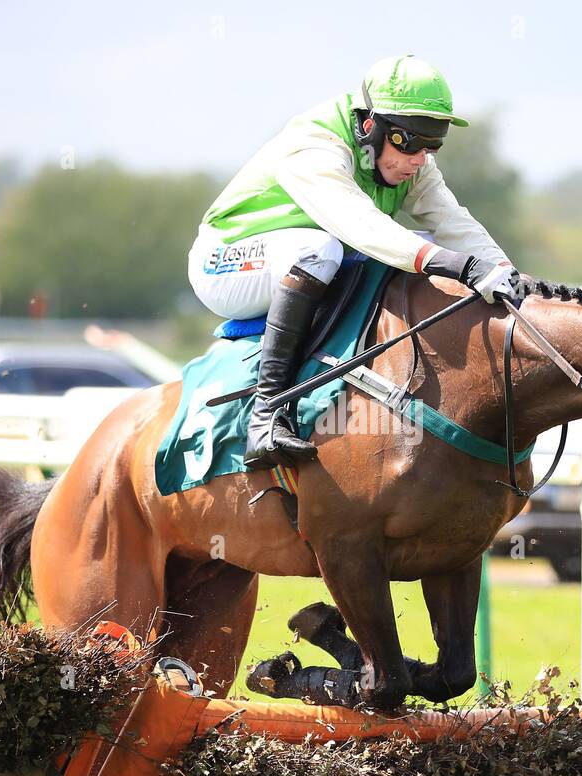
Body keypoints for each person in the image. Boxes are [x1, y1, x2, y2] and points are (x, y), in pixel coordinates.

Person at [188, 54, 520, 469]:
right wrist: (455, 265)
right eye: (409, 142)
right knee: (325, 248)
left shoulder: (412, 163)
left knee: (425, 244)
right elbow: (359, 226)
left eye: (432, 145)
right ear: (369, 126)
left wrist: (506, 274)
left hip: (302, 257)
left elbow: (452, 223)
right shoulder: (315, 146)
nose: (419, 158)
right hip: (226, 264)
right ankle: (266, 414)